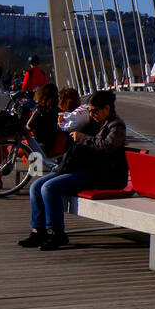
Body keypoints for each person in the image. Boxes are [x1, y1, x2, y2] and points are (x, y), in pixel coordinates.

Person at [21, 90, 127, 251]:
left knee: (49, 188)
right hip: (79, 167)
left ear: (106, 108)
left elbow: (108, 147)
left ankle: (57, 233)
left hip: (100, 173)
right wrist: (65, 123)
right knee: (36, 187)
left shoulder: (116, 126)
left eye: (94, 111)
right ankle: (38, 231)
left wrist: (84, 137)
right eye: (90, 110)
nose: (92, 114)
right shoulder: (92, 122)